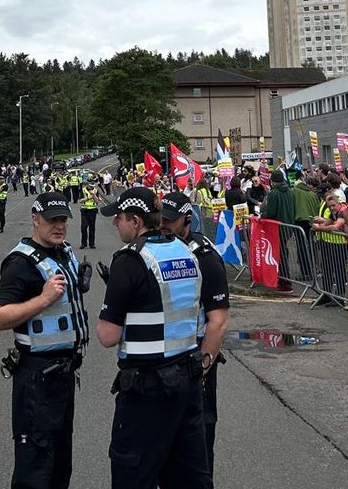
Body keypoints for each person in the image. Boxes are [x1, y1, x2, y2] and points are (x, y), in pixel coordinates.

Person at [96, 188, 211, 489]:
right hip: (187, 380)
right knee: (188, 476)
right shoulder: (186, 251)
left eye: (118, 218)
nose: (114, 224)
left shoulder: (130, 259)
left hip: (147, 387)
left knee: (133, 474)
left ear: (135, 221)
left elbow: (107, 336)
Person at [0, 192, 89, 489]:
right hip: (37, 378)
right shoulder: (21, 262)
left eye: (62, 220)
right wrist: (42, 300)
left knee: (59, 464)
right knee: (35, 466)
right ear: (35, 220)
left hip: (64, 375)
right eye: (51, 220)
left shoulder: (63, 251)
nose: (58, 226)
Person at [159, 192, 230, 474]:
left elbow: (218, 322)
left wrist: (202, 366)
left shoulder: (204, 256)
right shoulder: (163, 248)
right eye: (160, 218)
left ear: (187, 219)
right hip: (169, 360)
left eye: (169, 220)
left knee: (198, 440)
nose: (163, 224)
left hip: (197, 359)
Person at [79, 183, 99, 250]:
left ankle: (92, 244)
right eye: (90, 185)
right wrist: (88, 198)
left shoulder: (96, 191)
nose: (91, 187)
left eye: (93, 185)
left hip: (93, 211)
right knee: (83, 227)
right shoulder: (83, 190)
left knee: (92, 228)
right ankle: (83, 243)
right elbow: (80, 201)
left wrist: (93, 195)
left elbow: (97, 201)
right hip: (85, 210)